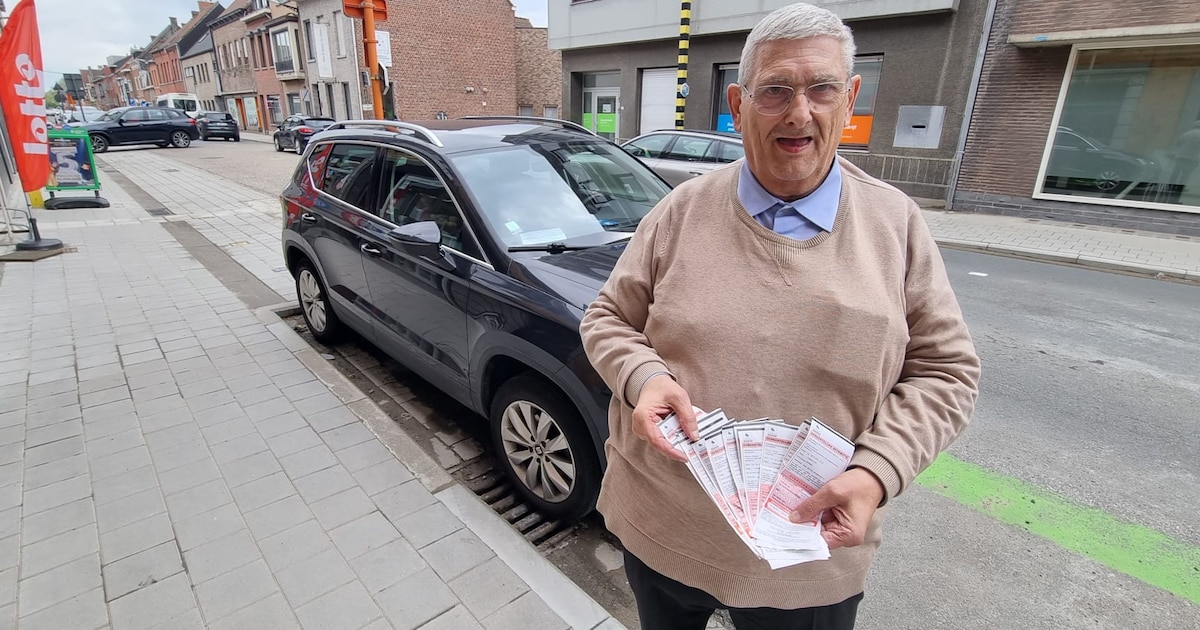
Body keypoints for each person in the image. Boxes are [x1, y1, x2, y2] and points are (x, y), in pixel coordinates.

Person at [579, 3, 981, 629]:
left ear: (848, 99)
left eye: (821, 88)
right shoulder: (681, 211)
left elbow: (946, 372)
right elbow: (607, 318)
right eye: (776, 91)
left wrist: (877, 472)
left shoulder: (895, 224)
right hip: (665, 526)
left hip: (810, 554)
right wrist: (643, 378)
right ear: (738, 107)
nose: (800, 113)